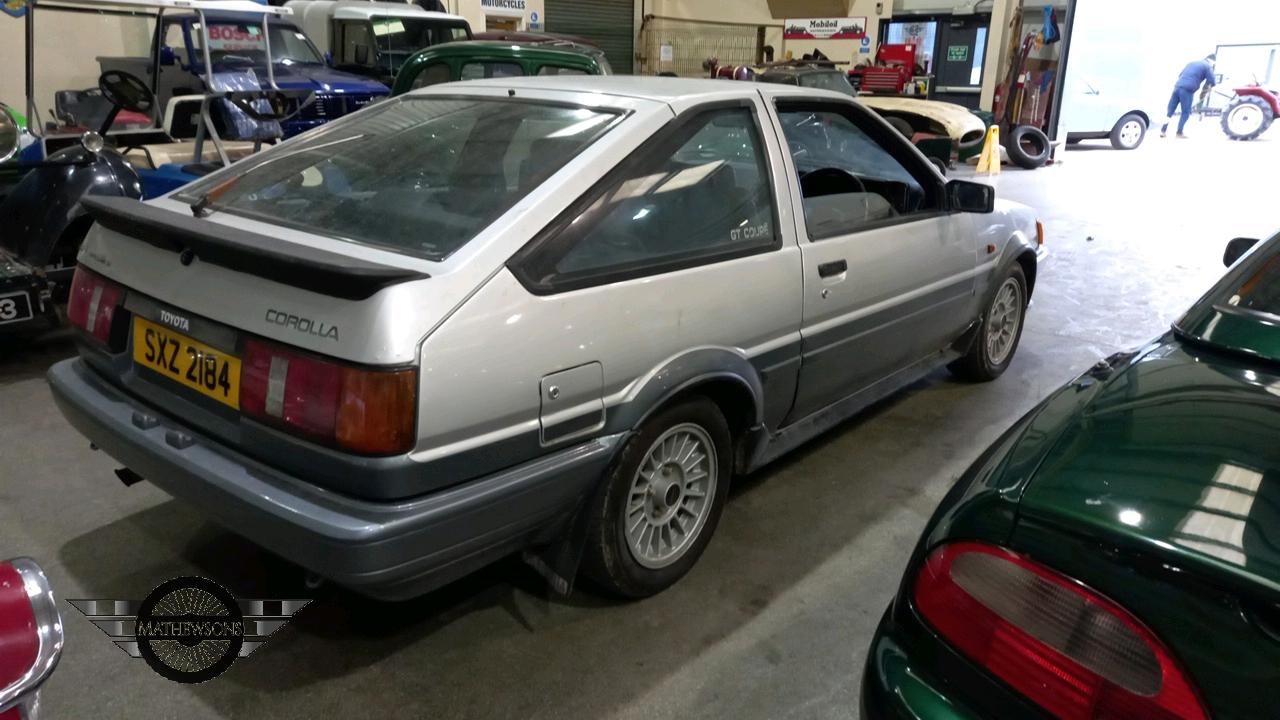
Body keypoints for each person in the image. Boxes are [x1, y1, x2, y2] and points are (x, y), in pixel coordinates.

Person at [1161, 54, 1217, 138]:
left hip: (1177, 87)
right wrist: (1204, 93)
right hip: (1187, 90)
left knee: (1169, 112)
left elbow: (1180, 75)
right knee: (1186, 112)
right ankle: (1179, 133)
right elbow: (1211, 80)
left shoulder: (1191, 63)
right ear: (1212, 61)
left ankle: (1163, 131)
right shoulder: (1207, 66)